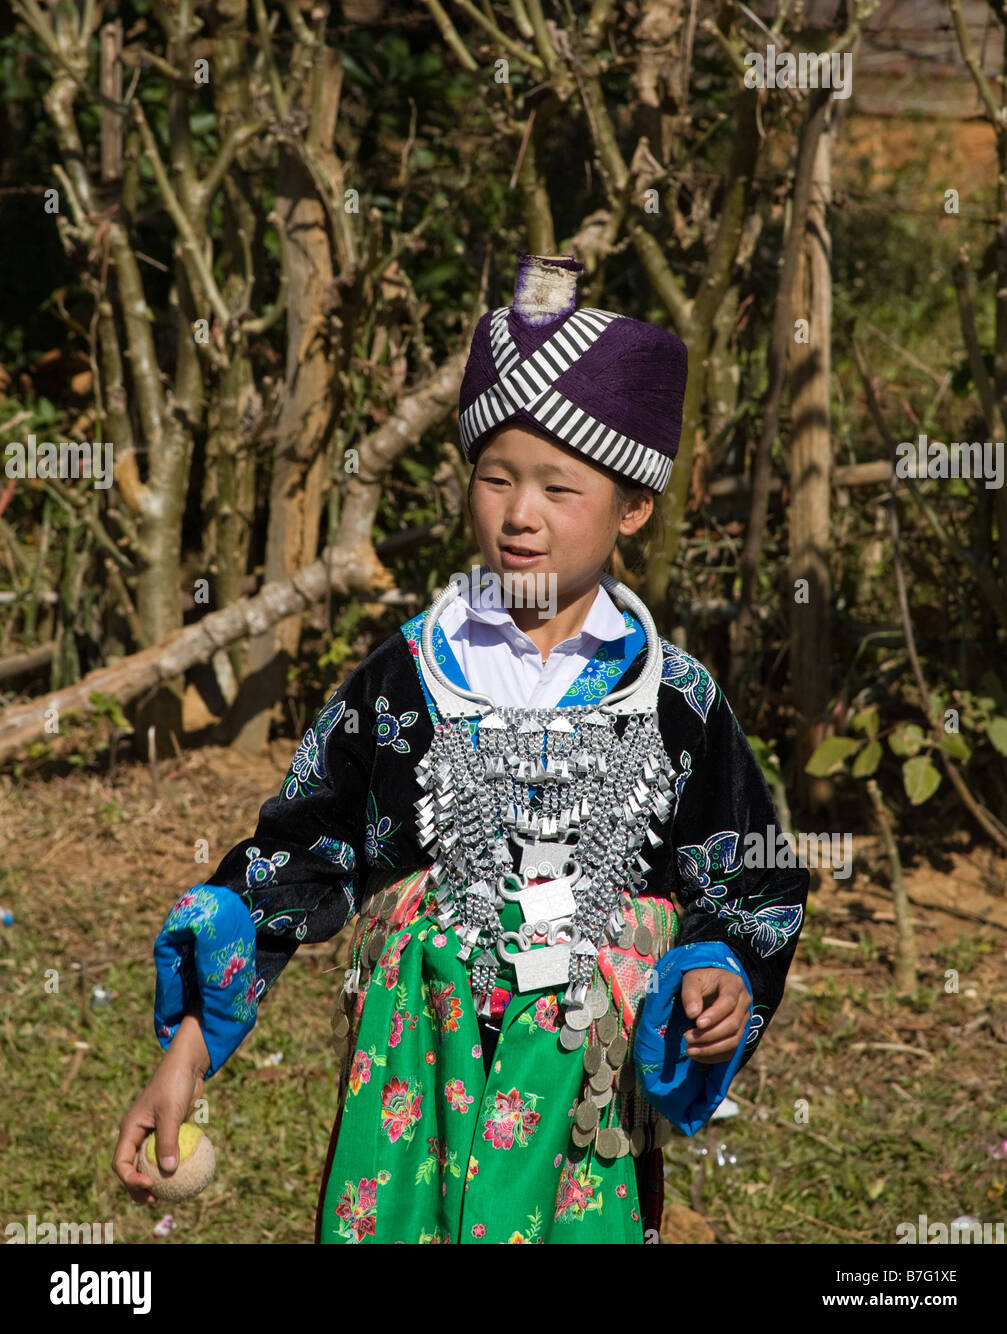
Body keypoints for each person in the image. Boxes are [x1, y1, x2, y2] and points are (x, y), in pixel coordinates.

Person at [113, 251, 808, 1244]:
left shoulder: (675, 703)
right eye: (495, 478)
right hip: (412, 1081)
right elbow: (298, 854)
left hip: (582, 1108)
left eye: (559, 488)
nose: (519, 514)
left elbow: (747, 879)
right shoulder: (406, 677)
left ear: (633, 507)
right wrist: (187, 1048)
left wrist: (719, 972)